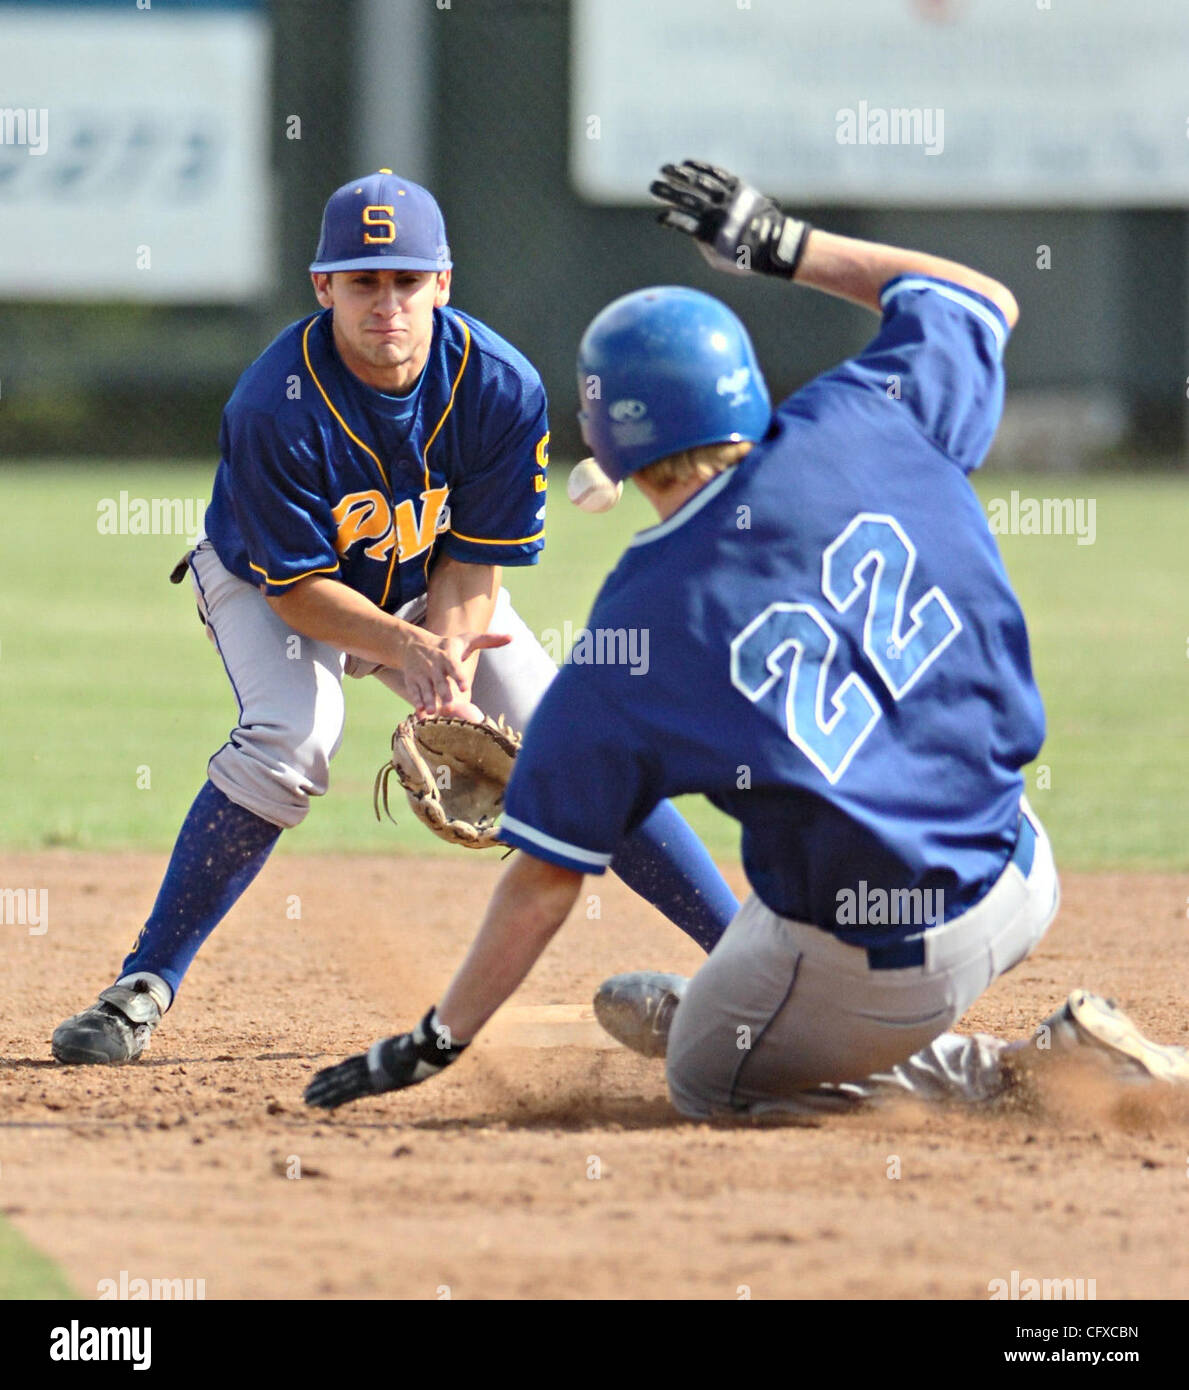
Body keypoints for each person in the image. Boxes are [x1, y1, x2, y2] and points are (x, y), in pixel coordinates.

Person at [303, 160, 1188, 1116]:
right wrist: (784, 244)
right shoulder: (864, 418)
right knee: (791, 891)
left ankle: (1011, 1073)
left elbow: (546, 883)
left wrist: (439, 1038)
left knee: (707, 1082)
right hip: (1018, 864)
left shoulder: (641, 623)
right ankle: (737, 1010)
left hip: (888, 963)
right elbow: (978, 298)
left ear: (607, 445)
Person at [51, 168, 738, 1066]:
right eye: (363, 280)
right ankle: (142, 984)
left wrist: (444, 667)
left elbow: (474, 559)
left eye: (406, 280)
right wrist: (406, 647)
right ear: (323, 286)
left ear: (442, 284)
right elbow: (296, 591)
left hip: (422, 582)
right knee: (293, 738)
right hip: (271, 586)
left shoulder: (498, 384)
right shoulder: (274, 405)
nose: (387, 302)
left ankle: (747, 960)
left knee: (580, 742)